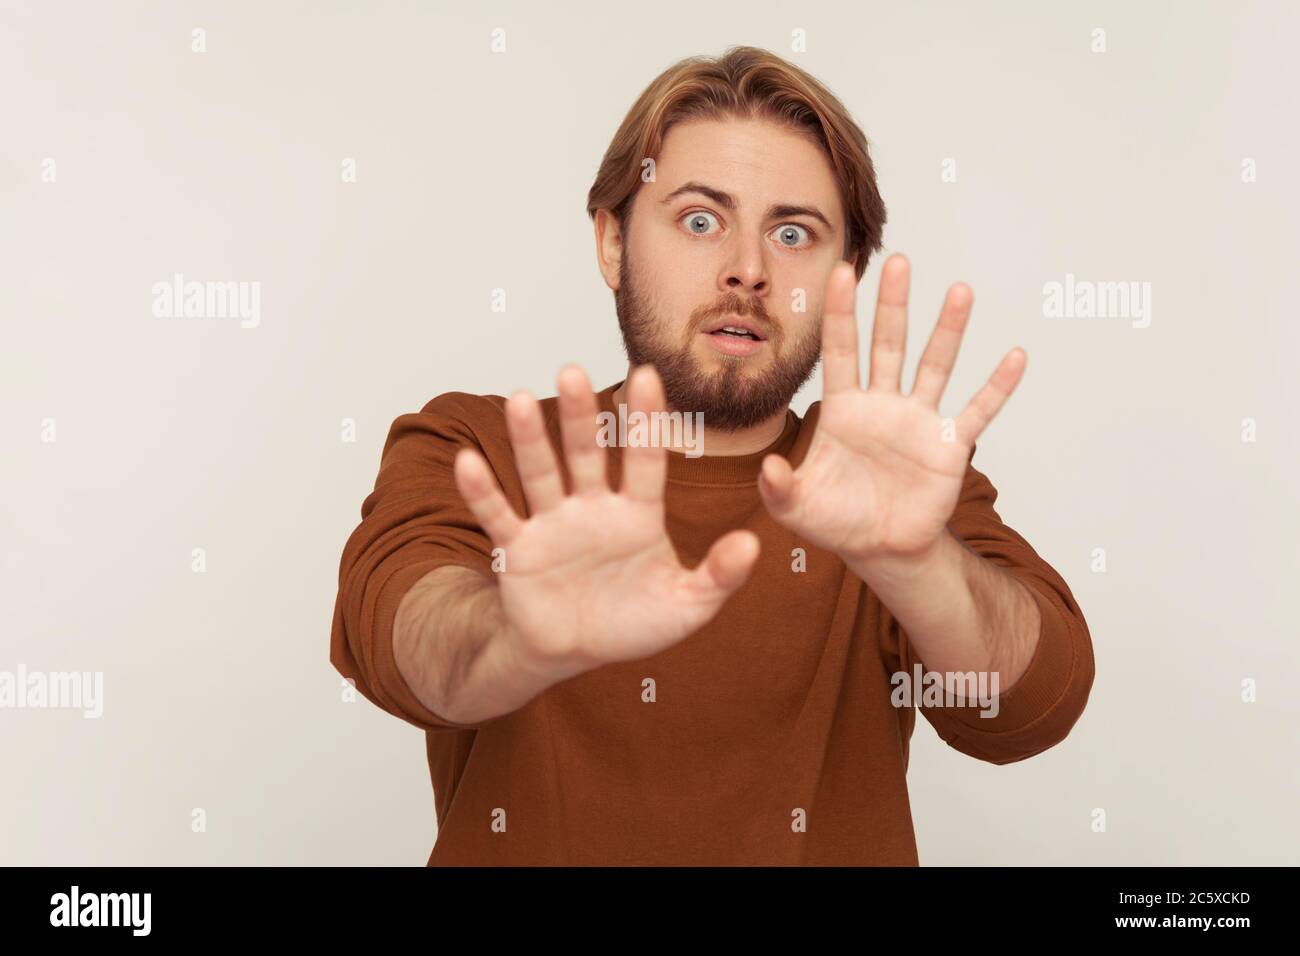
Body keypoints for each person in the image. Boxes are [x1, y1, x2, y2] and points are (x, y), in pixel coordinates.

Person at [330, 45, 1095, 865]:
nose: (747, 271)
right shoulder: (478, 446)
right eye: (700, 220)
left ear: (847, 274)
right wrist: (510, 636)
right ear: (613, 241)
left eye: (794, 232)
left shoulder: (892, 492)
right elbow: (400, 641)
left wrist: (915, 564)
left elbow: (1030, 709)